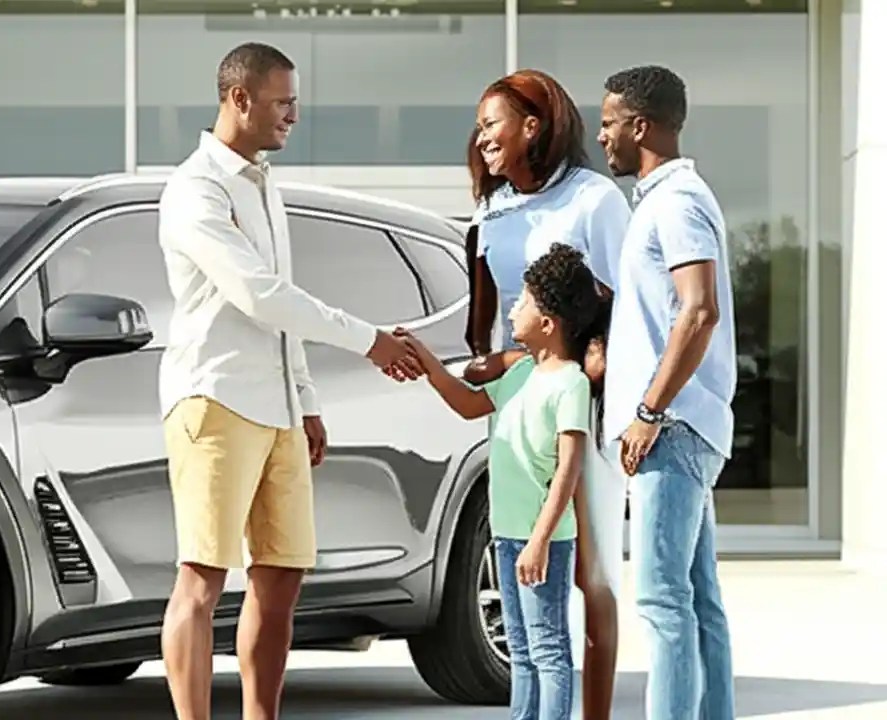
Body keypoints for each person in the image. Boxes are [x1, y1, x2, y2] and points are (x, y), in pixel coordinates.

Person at [155, 42, 422, 720]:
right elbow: (258, 294)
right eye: (282, 102)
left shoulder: (262, 182)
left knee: (282, 577)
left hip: (276, 410)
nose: (293, 116)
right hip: (214, 400)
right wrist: (368, 340)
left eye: (294, 102)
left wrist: (304, 400)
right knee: (203, 577)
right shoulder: (195, 189)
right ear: (238, 99)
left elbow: (282, 303)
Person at [464, 68, 631, 719]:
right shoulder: (492, 208)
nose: (480, 139)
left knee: (592, 577)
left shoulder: (594, 200)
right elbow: (484, 323)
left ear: (532, 126)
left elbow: (624, 306)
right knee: (532, 572)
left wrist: (590, 367)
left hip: (580, 404)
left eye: (490, 124)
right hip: (517, 409)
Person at [398, 243, 602, 720]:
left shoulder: (570, 384)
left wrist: (540, 541)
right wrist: (427, 361)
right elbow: (467, 403)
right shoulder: (522, 374)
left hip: (542, 541)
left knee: (549, 649)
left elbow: (568, 472)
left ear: (548, 323)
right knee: (523, 651)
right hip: (507, 537)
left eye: (524, 301)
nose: (513, 308)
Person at [597, 65, 737, 720]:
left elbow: (698, 310)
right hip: (680, 426)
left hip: (671, 429)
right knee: (697, 600)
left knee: (661, 602)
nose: (602, 138)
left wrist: (648, 410)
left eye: (608, 123)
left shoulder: (675, 202)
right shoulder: (665, 199)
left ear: (641, 125)